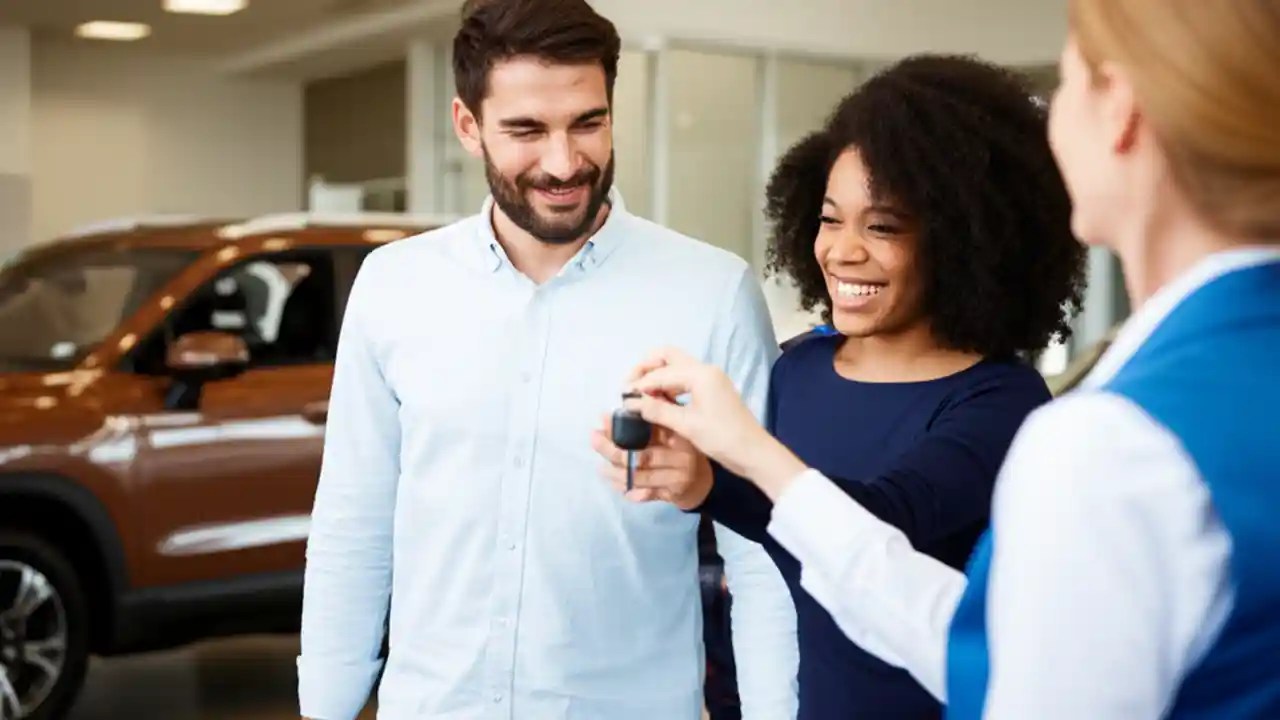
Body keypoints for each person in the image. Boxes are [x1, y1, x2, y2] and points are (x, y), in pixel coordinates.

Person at [609, 1, 1280, 717]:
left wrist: (748, 449)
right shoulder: (1234, 377)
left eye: (1071, 84)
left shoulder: (1109, 442)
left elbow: (1015, 685)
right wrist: (719, 477)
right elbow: (988, 645)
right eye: (832, 219)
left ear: (1118, 109)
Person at [296, 0, 798, 718]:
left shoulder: (712, 294)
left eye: (587, 123)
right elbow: (354, 525)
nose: (563, 163)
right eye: (526, 130)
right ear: (467, 126)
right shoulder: (394, 287)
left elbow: (760, 555)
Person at [594, 54, 1085, 719]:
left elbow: (882, 529)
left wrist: (742, 448)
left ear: (964, 239)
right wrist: (704, 482)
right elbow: (796, 533)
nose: (843, 251)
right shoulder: (798, 370)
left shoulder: (1003, 401)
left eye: (882, 226)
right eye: (830, 218)